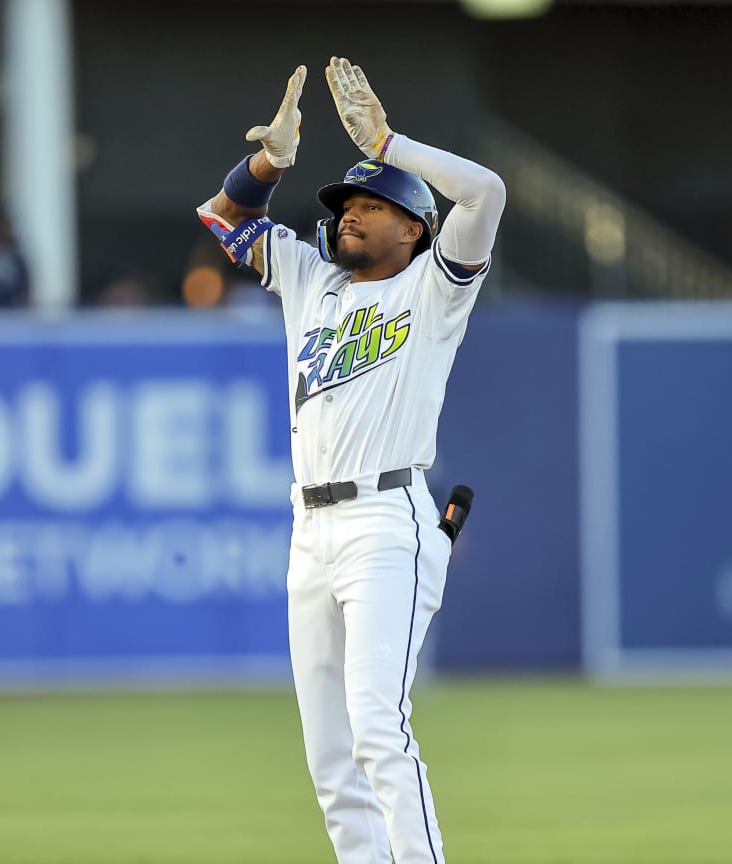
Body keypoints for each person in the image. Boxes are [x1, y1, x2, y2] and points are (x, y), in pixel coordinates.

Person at [195, 57, 504, 864]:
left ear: (416, 229)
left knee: (377, 730)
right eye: (349, 204)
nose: (354, 215)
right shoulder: (310, 277)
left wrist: (391, 144)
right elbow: (227, 220)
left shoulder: (436, 288)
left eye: (375, 205)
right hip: (309, 530)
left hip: (383, 521)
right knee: (331, 759)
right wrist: (269, 164)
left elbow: (487, 193)